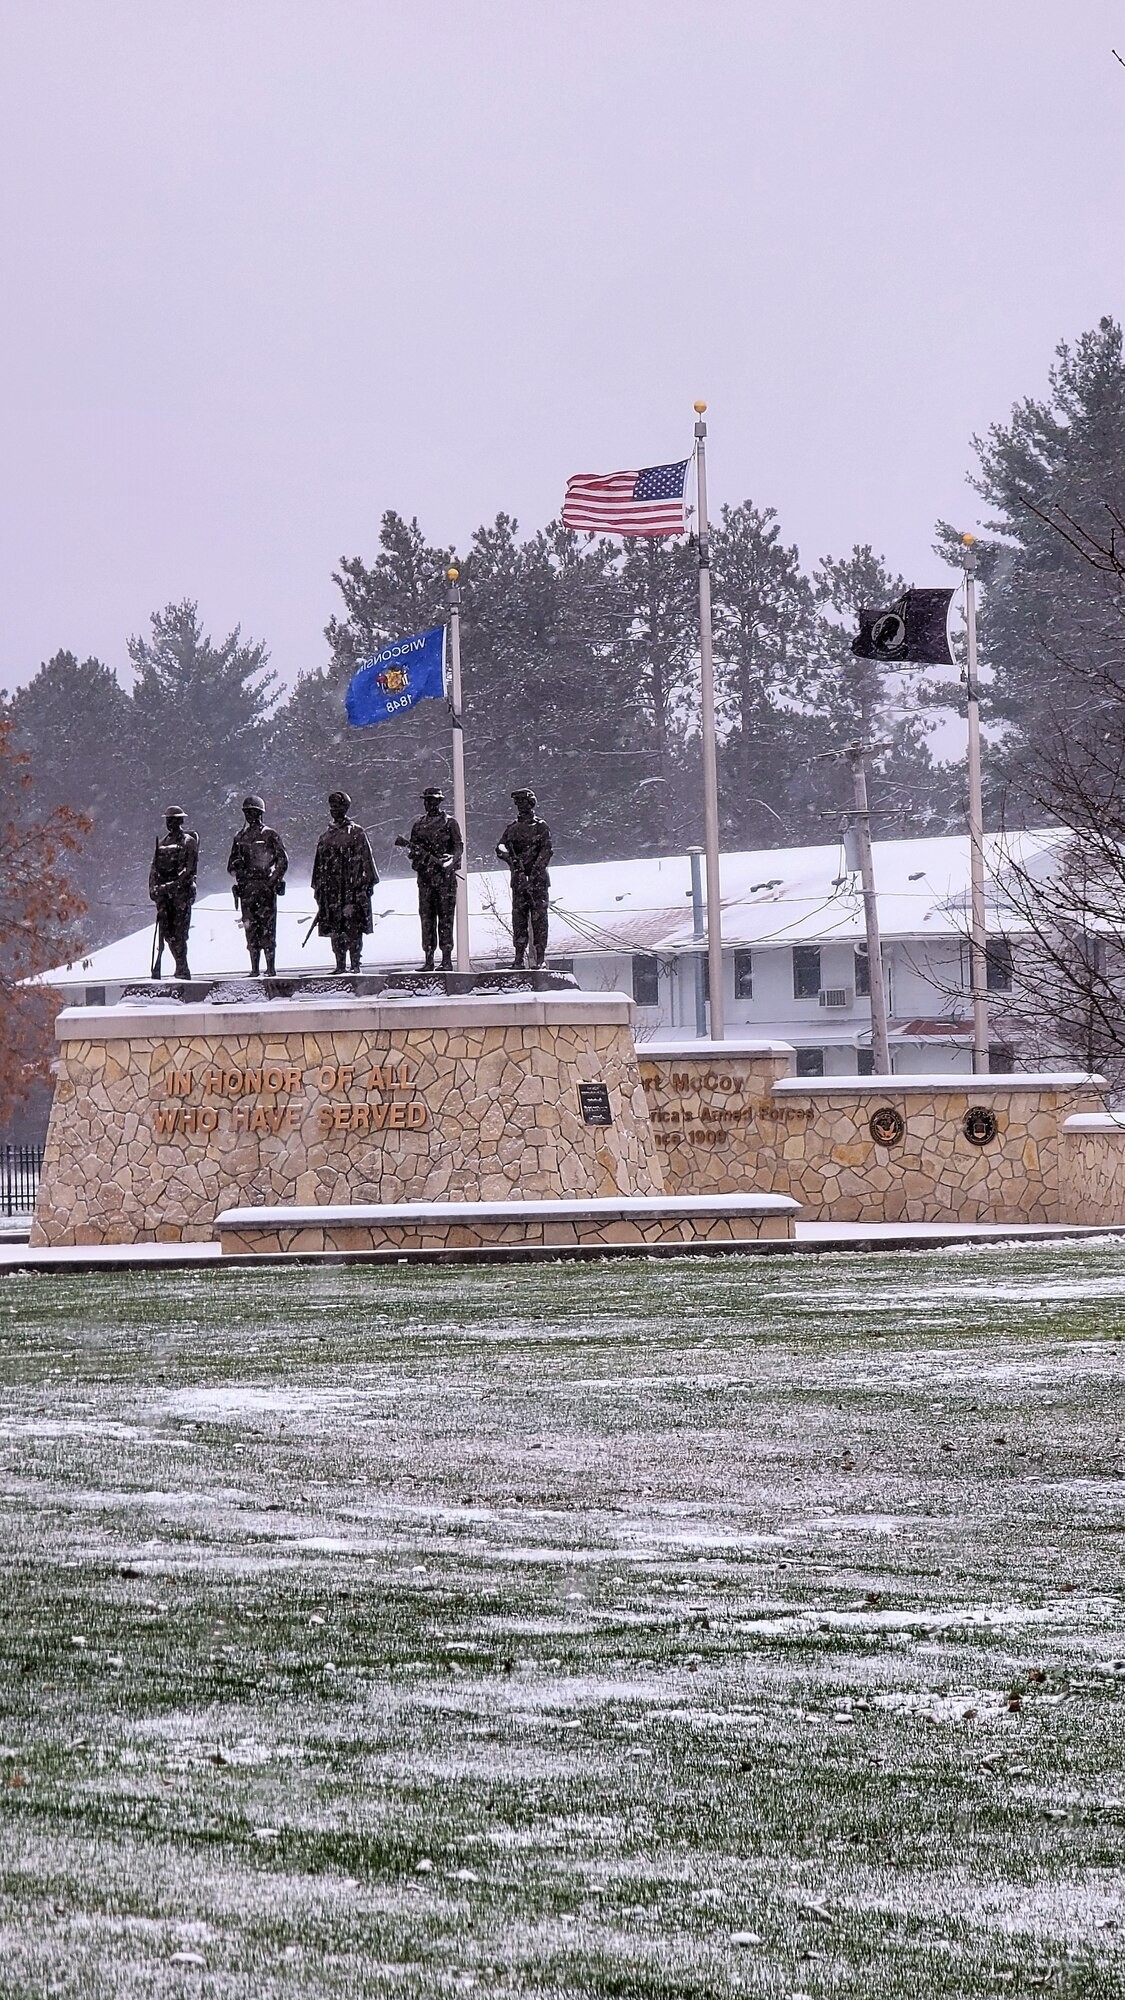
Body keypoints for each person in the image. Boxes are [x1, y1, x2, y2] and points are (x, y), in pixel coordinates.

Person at [394, 786, 463, 971]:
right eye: (427, 800)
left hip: (445, 880)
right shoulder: (418, 825)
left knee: (446, 920)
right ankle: (429, 958)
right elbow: (413, 850)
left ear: (439, 802)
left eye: (432, 800)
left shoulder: (450, 823)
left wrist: (451, 859)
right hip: (425, 879)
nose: (429, 804)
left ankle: (446, 959)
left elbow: (458, 848)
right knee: (427, 919)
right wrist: (420, 857)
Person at [311, 790, 379, 972]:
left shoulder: (357, 833)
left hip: (352, 891)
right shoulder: (325, 838)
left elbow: (367, 864)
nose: (335, 810)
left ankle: (355, 964)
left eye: (338, 807)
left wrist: (363, 889)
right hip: (332, 893)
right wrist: (319, 891)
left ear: (345, 808)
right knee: (336, 929)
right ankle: (340, 965)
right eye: (332, 807)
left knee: (353, 930)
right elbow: (318, 869)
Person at [226, 796, 288, 977]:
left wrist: (272, 881)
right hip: (247, 889)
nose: (249, 815)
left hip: (265, 887)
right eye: (246, 812)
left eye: (252, 812)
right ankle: (254, 968)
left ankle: (270, 967)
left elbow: (282, 861)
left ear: (260, 813)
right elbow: (230, 865)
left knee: (267, 928)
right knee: (251, 929)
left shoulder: (270, 835)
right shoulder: (240, 837)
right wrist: (237, 868)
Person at [496, 788, 552, 968]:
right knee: (519, 920)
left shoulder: (540, 826)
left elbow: (546, 851)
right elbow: (500, 848)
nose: (520, 806)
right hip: (519, 881)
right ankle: (518, 957)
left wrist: (533, 872)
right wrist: (513, 862)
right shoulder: (511, 829)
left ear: (531, 804)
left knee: (539, 921)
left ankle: (540, 957)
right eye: (517, 803)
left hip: (538, 882)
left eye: (523, 802)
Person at [148, 806, 198, 980]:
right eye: (168, 820)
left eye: (174, 820)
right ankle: (179, 965)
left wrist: (169, 886)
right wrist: (153, 889)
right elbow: (154, 869)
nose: (171, 823)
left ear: (181, 821)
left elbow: (188, 871)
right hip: (165, 897)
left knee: (179, 933)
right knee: (168, 934)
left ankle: (182, 967)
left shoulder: (188, 842)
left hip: (181, 895)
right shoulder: (161, 844)